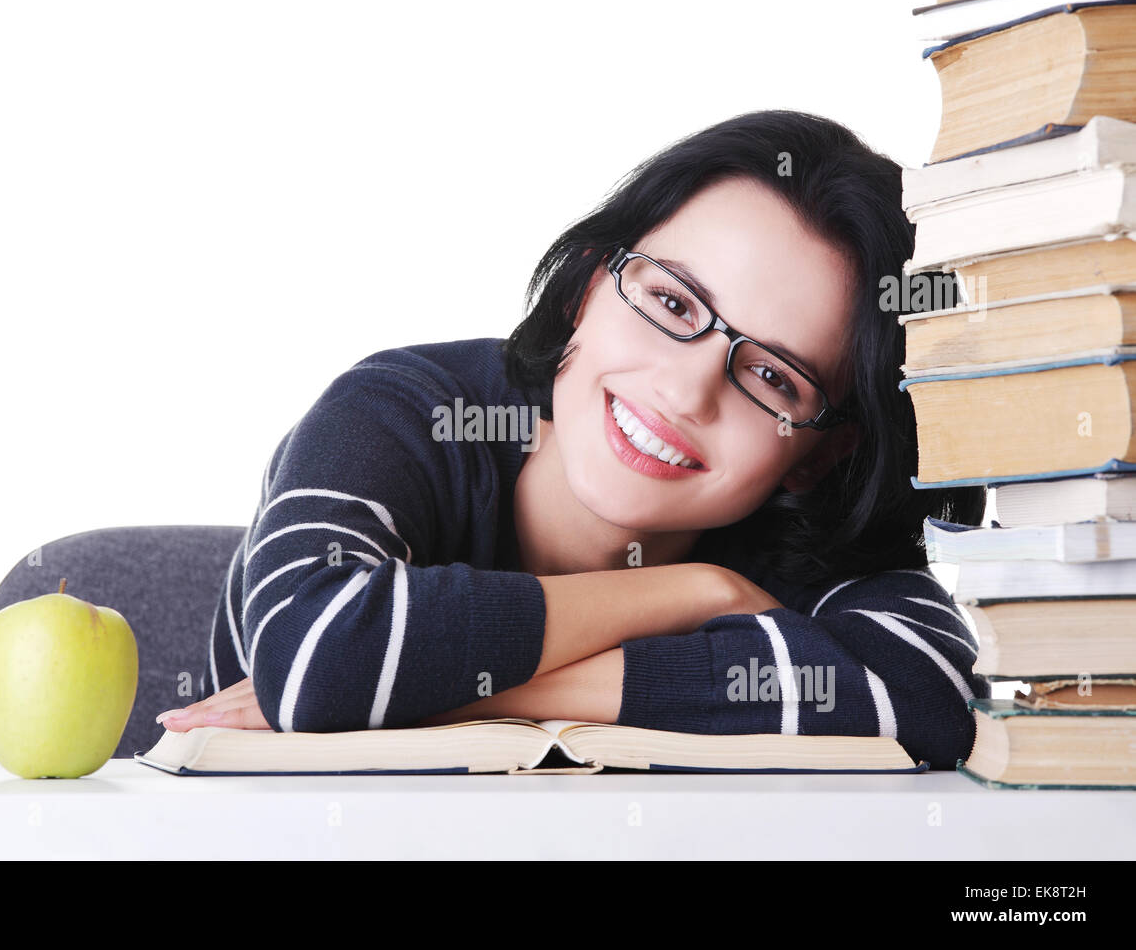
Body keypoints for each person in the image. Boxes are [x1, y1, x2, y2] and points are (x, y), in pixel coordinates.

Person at [156, 109, 989, 769]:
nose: (685, 389)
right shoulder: (398, 410)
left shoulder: (807, 532)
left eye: (771, 377)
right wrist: (700, 593)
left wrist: (475, 696)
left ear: (818, 454)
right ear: (586, 290)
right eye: (671, 305)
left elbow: (929, 693)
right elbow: (320, 657)